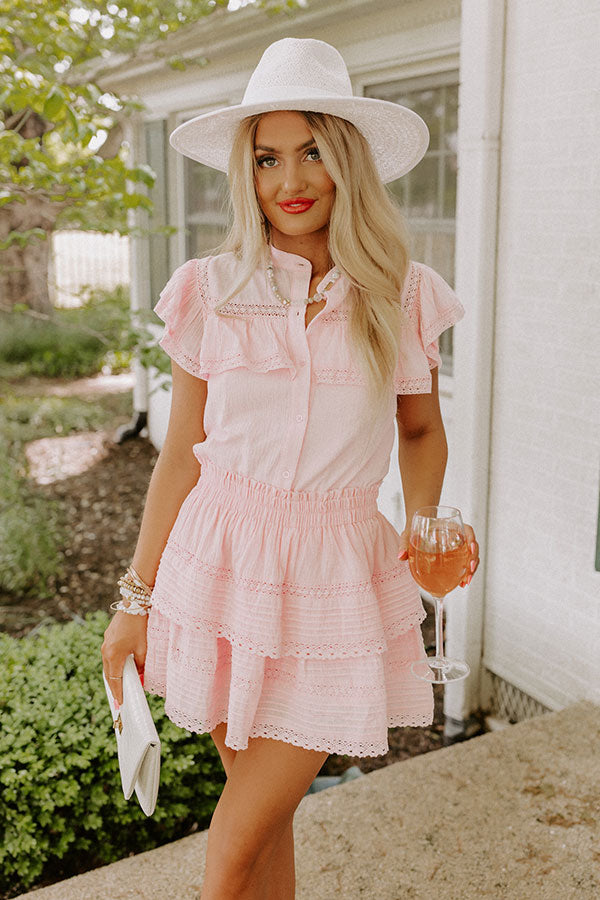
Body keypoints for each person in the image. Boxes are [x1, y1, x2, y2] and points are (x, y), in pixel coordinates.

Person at [101, 37, 480, 900]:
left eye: (311, 149)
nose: (288, 178)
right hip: (218, 568)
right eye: (267, 157)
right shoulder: (212, 288)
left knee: (232, 853)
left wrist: (424, 524)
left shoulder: (400, 291)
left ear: (345, 158)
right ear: (247, 170)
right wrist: (134, 601)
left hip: (333, 579)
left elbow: (421, 432)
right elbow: (181, 457)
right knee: (263, 831)